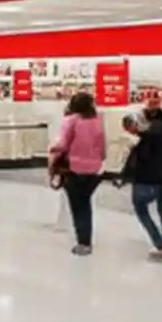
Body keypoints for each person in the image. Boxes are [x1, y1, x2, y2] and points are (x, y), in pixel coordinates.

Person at [49, 92, 107, 256]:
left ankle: (83, 243)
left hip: (74, 168)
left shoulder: (71, 120)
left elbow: (62, 144)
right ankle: (86, 239)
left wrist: (52, 154)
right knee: (86, 205)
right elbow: (102, 148)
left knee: (77, 207)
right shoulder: (96, 121)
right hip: (94, 170)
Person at [121, 112, 162, 259]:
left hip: (152, 180)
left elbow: (142, 162)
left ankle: (159, 243)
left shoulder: (147, 138)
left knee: (139, 205)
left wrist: (127, 176)